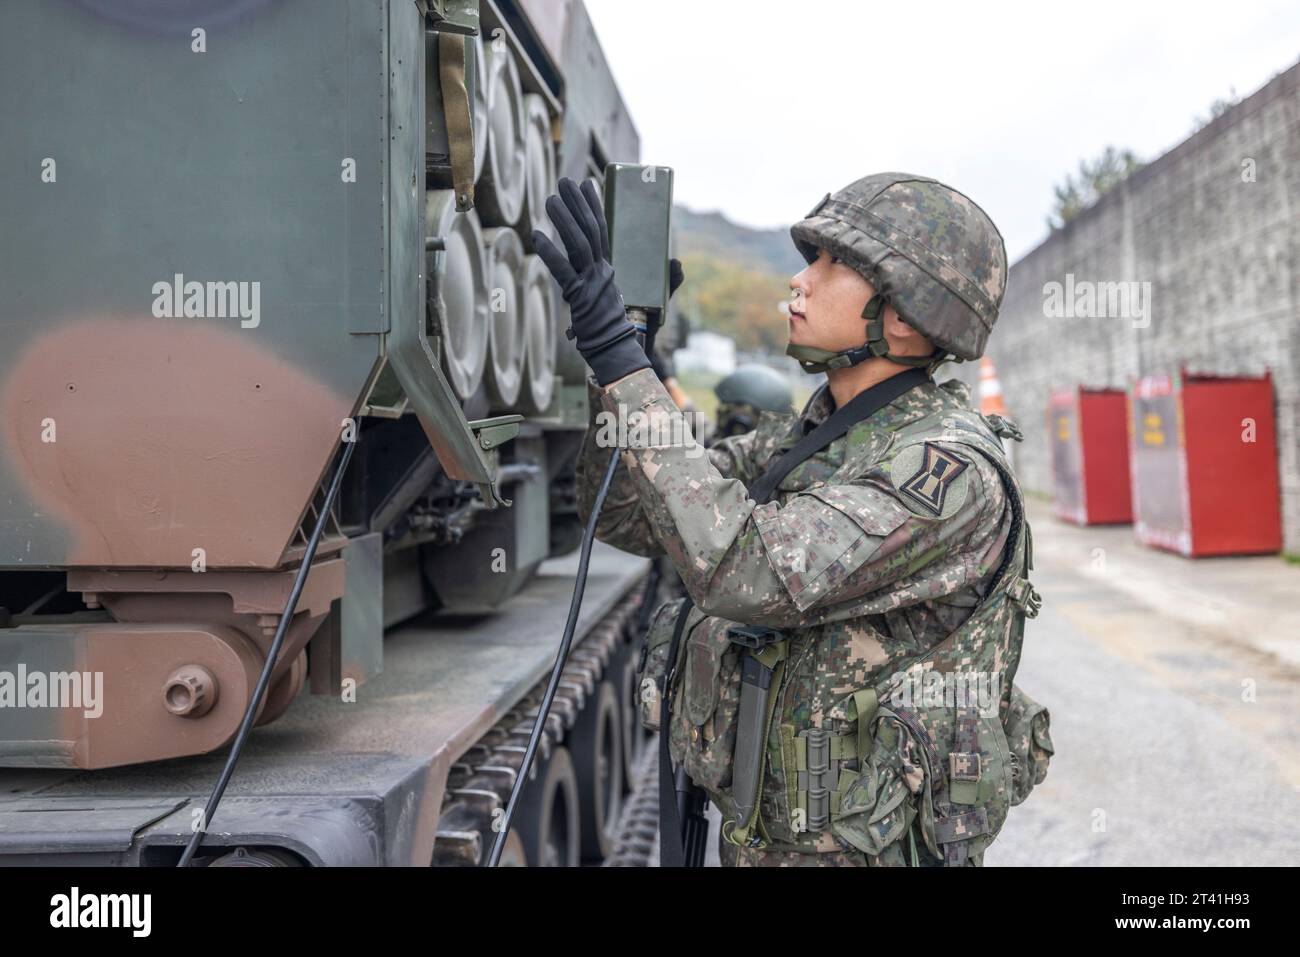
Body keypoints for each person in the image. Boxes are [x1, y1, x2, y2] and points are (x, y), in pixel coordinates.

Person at [534, 173, 1052, 868]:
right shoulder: (809, 438)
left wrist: (624, 365)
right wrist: (626, 369)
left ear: (903, 313)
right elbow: (634, 516)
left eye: (832, 264)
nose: (800, 282)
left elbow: (742, 569)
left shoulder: (945, 471)